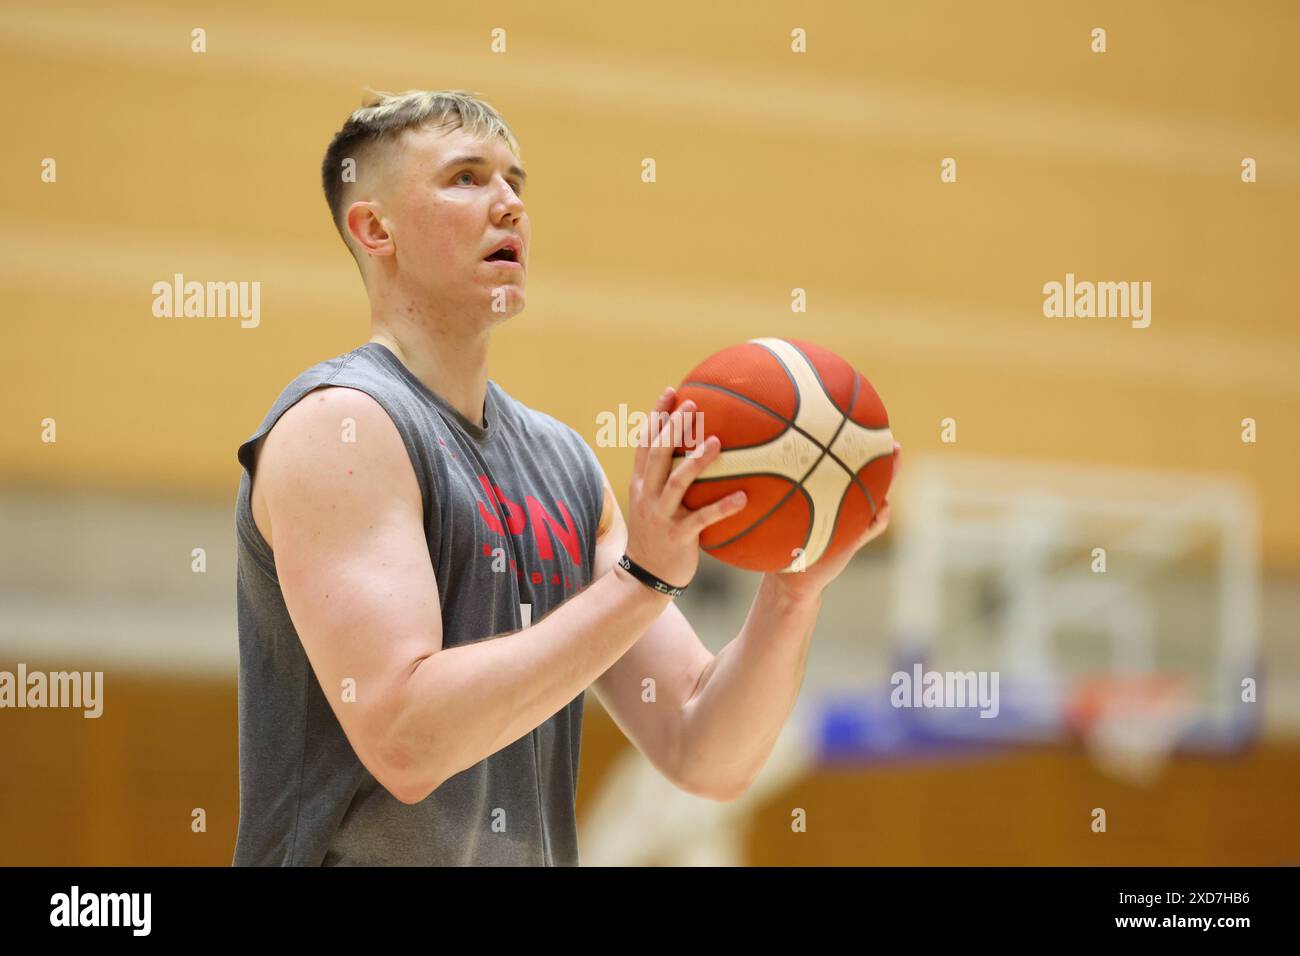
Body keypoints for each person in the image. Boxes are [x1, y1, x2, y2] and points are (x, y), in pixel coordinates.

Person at [231, 89, 897, 866]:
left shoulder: (562, 464)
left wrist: (792, 592)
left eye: (516, 181)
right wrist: (641, 581)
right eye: (466, 178)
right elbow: (405, 737)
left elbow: (703, 750)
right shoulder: (338, 427)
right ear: (375, 229)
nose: (508, 203)